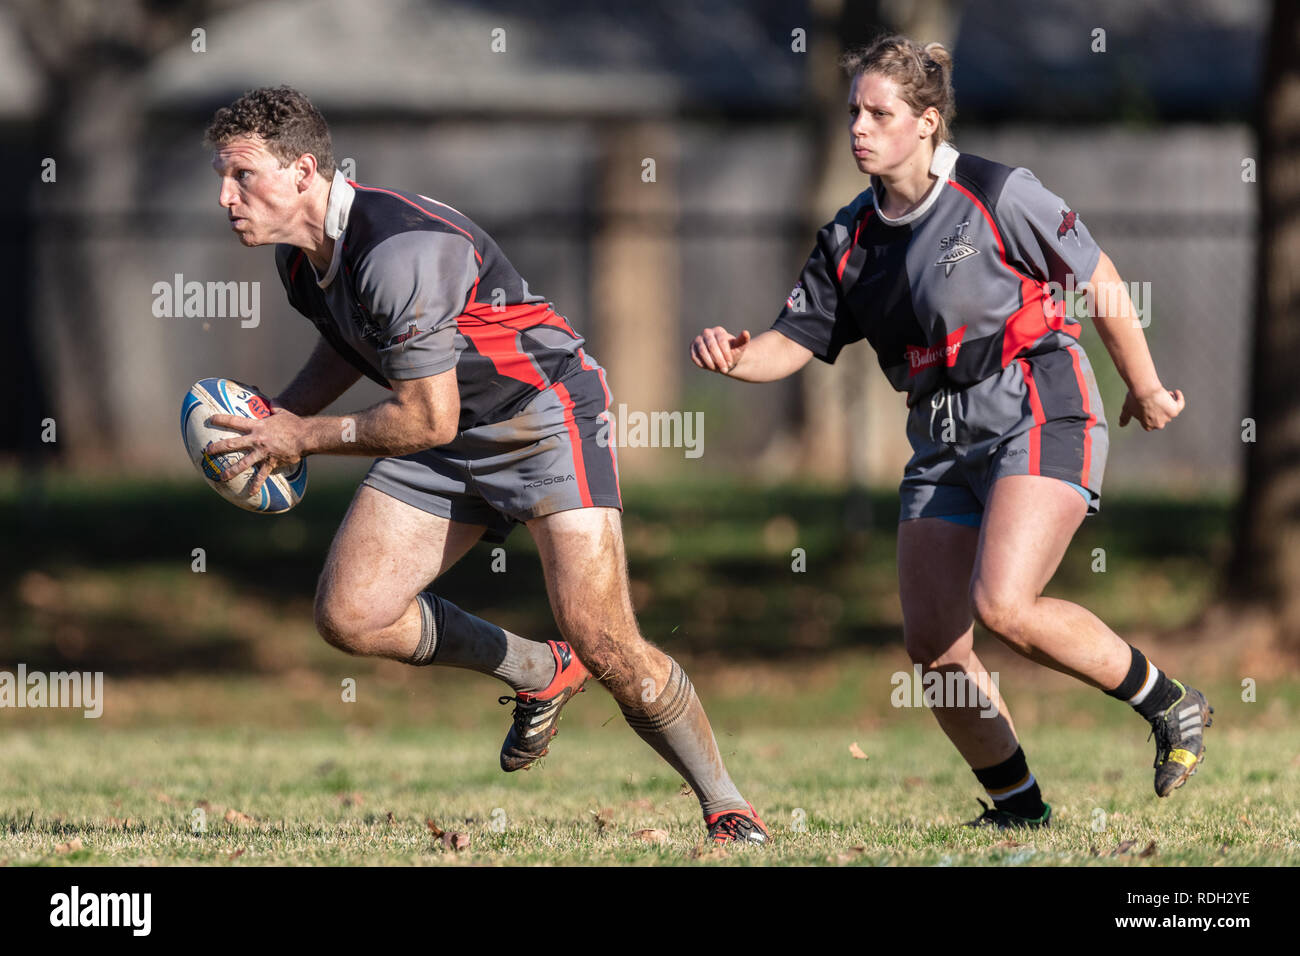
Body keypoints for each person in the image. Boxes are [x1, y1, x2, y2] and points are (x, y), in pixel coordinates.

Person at [203, 86, 767, 845]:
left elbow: (424, 416)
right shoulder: (302, 265)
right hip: (442, 432)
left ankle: (728, 806)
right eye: (222, 177)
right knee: (351, 615)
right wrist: (274, 418)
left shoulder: (396, 251)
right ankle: (538, 671)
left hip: (542, 419)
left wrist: (303, 438)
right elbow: (351, 348)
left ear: (304, 171)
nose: (224, 196)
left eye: (243, 176)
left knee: (603, 638)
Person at [690, 36, 1211, 829]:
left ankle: (1170, 702)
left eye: (879, 113)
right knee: (934, 649)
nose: (859, 128)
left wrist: (1143, 386)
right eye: (854, 112)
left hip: (1037, 405)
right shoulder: (848, 239)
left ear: (927, 121)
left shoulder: (996, 193)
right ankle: (1018, 808)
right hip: (940, 438)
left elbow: (1097, 278)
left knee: (1004, 604)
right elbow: (790, 342)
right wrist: (735, 357)